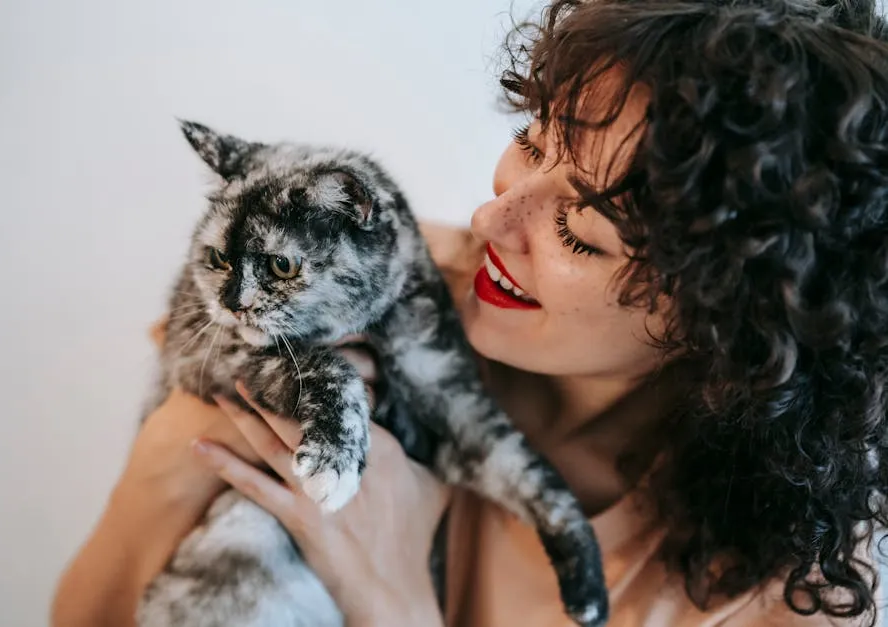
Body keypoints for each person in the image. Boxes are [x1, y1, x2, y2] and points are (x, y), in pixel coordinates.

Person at [52, 0, 888, 625]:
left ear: (725, 318)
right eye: (533, 137)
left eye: (576, 228)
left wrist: (392, 595)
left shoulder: (786, 599)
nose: (495, 217)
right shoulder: (371, 282)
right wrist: (167, 457)